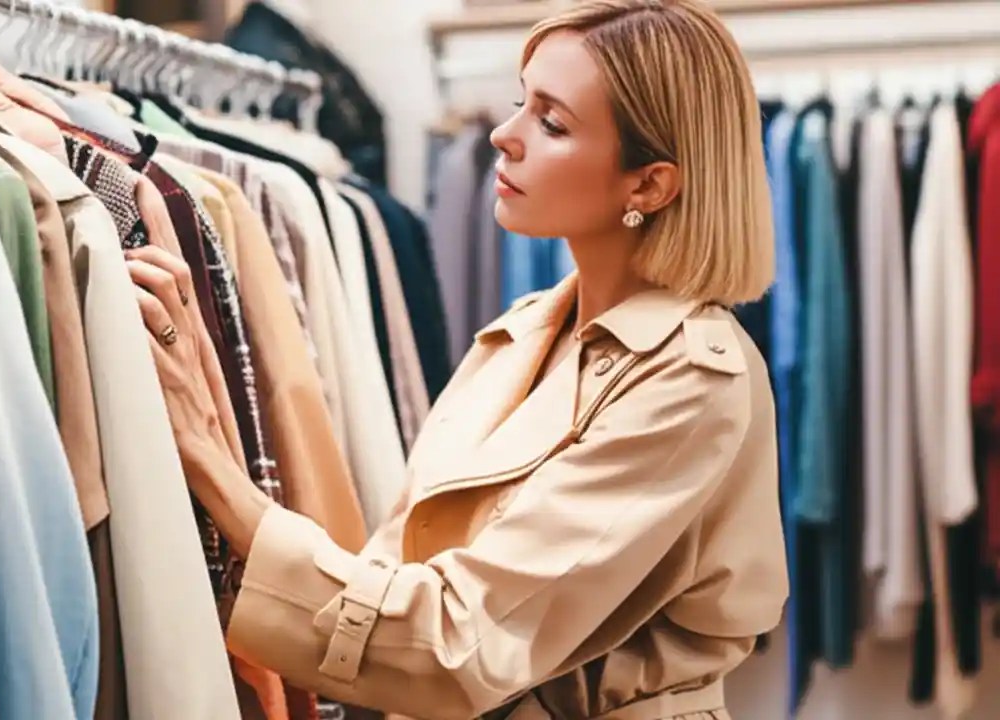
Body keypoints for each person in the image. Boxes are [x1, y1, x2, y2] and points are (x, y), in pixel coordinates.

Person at [123, 0, 788, 717]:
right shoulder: (525, 334)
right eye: (519, 104)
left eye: (552, 123)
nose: (504, 136)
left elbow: (458, 642)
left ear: (649, 185)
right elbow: (393, 573)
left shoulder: (690, 380)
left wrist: (211, 461)